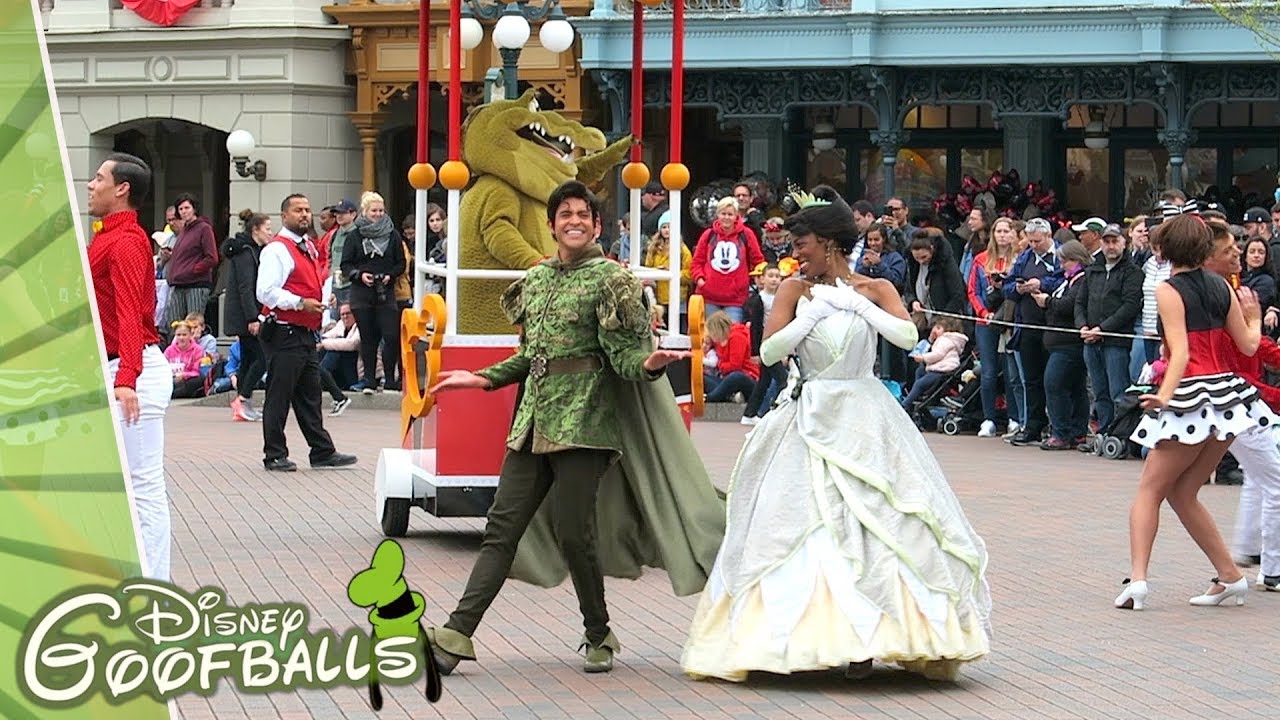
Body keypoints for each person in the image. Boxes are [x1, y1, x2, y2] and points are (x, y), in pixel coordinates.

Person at [681, 185, 991, 683]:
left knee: (882, 520)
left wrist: (859, 307)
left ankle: (874, 639)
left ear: (827, 242)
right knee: (806, 522)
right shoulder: (793, 291)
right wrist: (813, 316)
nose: (793, 253)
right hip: (810, 414)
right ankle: (804, 638)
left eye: (801, 244)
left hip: (865, 411)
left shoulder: (875, 288)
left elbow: (907, 338)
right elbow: (769, 353)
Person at [423, 180, 702, 676]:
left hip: (586, 422)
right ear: (552, 225)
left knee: (577, 535)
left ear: (596, 224)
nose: (573, 220)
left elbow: (623, 357)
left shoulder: (611, 280)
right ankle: (455, 635)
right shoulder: (536, 280)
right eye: (564, 213)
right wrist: (481, 377)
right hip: (532, 422)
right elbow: (531, 357)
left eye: (583, 214)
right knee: (500, 530)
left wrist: (651, 364)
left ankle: (598, 634)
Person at [1115, 214, 1276, 611]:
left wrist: (1164, 396)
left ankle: (1138, 580)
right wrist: (1255, 319)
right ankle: (1231, 575)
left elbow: (1181, 352)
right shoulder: (1221, 286)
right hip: (1228, 398)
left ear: (1166, 250)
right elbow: (1250, 345)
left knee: (1149, 491)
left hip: (1190, 396)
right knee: (1183, 492)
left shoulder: (1168, 289)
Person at [86, 152, 174, 581]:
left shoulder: (125, 242)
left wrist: (126, 380)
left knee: (143, 487)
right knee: (130, 485)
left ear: (121, 189)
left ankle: (154, 589)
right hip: (126, 369)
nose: (91, 184)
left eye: (99, 178)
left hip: (132, 370)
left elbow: (130, 316)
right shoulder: (109, 237)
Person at [255, 193, 358, 472]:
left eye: (307, 210)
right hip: (285, 330)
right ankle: (274, 453)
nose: (304, 215)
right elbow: (265, 291)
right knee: (280, 394)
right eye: (298, 210)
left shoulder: (308, 246)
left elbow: (308, 282)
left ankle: (322, 451)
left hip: (304, 331)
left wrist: (322, 301)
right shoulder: (277, 249)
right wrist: (300, 303)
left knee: (310, 394)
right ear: (284, 216)